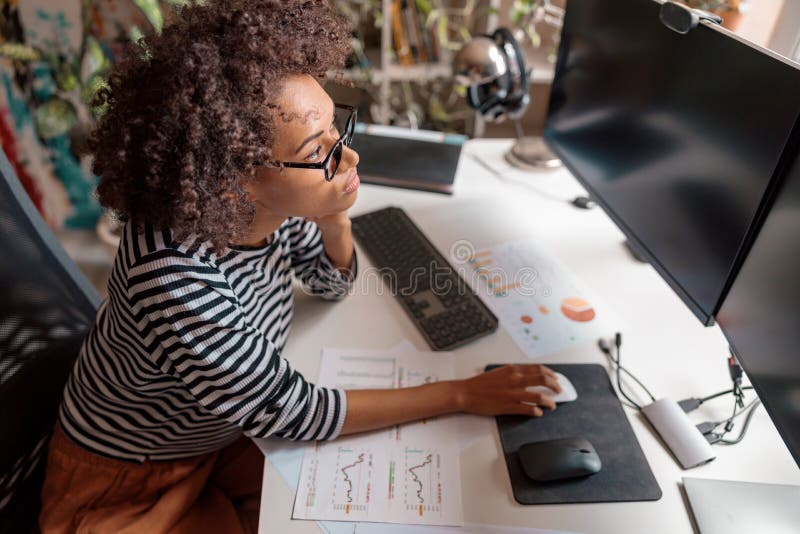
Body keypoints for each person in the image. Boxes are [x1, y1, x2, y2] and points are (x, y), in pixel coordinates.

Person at [38, 1, 561, 532]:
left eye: (337, 128)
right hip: (128, 482)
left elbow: (329, 282)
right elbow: (297, 412)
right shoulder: (173, 280)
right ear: (233, 176)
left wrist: (335, 219)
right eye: (319, 150)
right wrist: (462, 393)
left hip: (218, 435)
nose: (349, 157)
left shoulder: (265, 208)